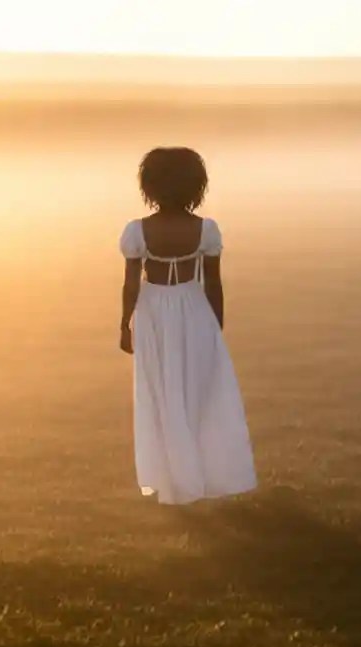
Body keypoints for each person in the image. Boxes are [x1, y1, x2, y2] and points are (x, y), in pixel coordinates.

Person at [118, 147, 257, 504]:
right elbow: (214, 283)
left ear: (150, 186)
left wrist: (124, 325)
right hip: (194, 309)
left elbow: (132, 284)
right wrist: (216, 329)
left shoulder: (138, 231)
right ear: (196, 185)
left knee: (160, 391)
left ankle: (171, 476)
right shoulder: (205, 230)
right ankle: (199, 472)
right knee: (198, 392)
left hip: (152, 312)